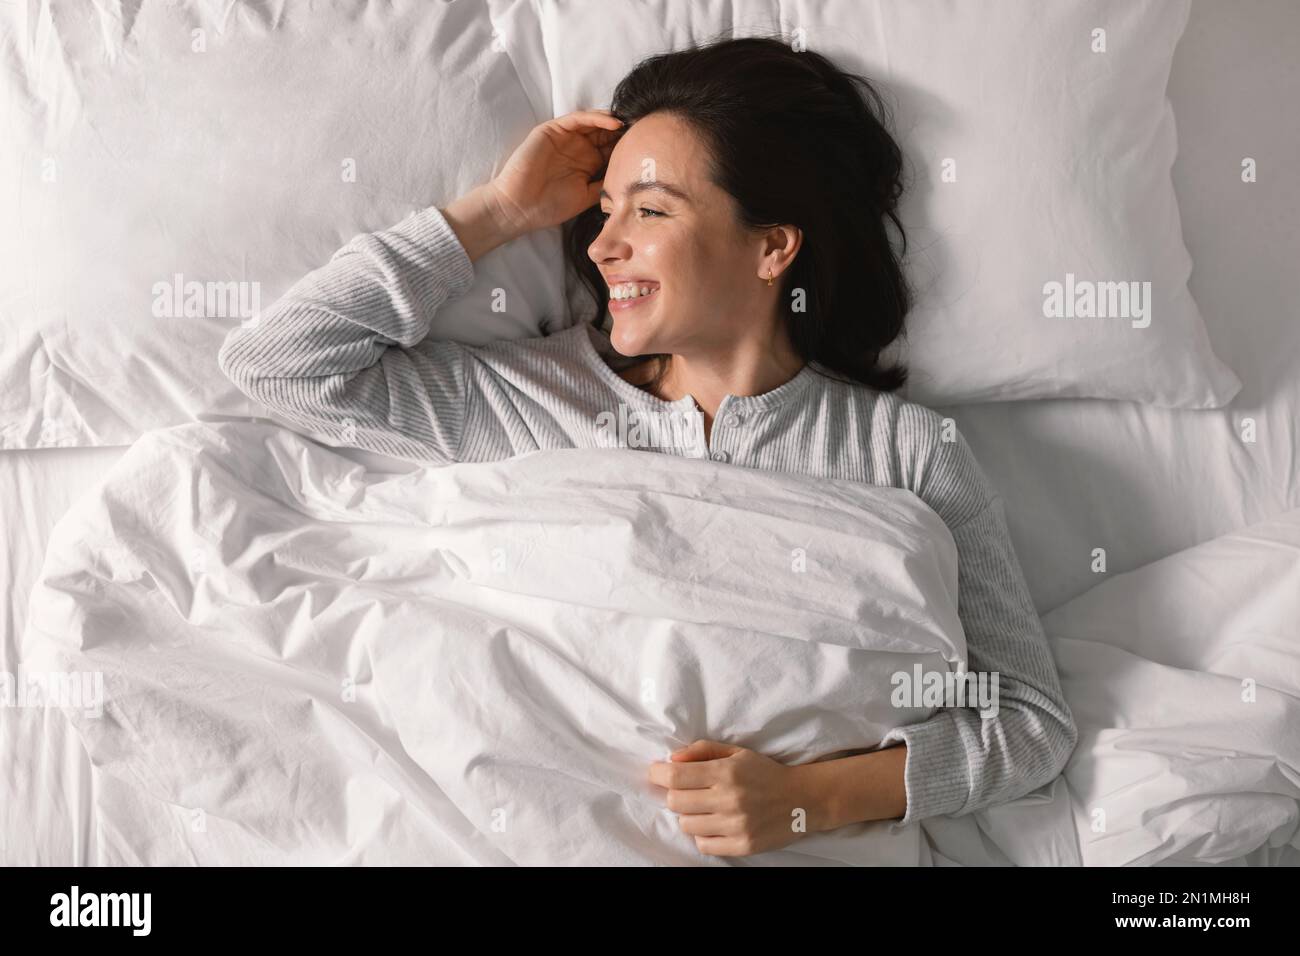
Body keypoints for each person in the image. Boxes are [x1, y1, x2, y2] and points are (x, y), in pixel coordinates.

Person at [219, 35, 1077, 859]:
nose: (600, 244)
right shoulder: (529, 400)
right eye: (602, 211)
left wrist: (812, 797)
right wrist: (498, 212)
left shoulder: (906, 452)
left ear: (772, 246)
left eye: (651, 210)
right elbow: (281, 365)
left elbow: (1027, 722)